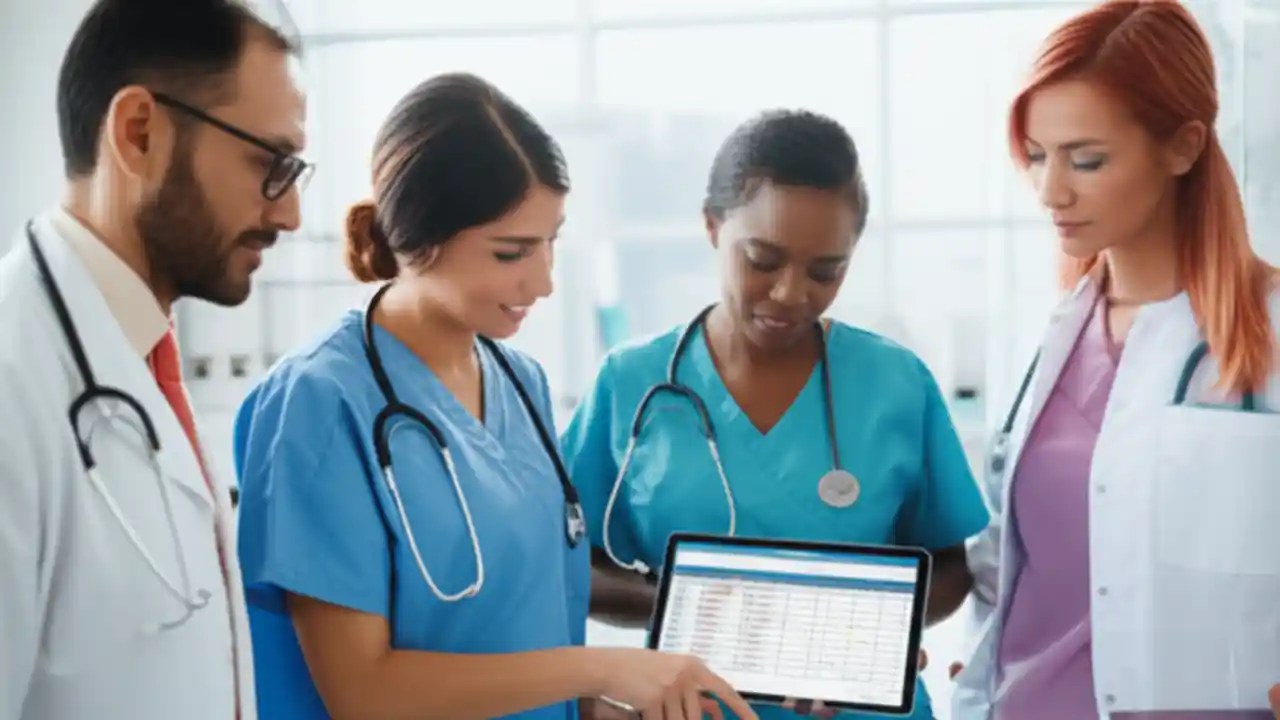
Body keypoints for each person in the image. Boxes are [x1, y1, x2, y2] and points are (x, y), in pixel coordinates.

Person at [232, 72, 756, 720]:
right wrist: (609, 665)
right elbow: (363, 691)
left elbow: (527, 640)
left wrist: (612, 710)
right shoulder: (319, 404)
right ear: (416, 238)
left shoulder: (520, 382)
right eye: (512, 252)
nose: (543, 281)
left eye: (551, 242)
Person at [559, 108, 991, 720]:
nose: (792, 294)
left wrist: (870, 637)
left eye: (825, 271)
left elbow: (950, 564)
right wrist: (695, 607)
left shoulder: (896, 383)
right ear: (712, 226)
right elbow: (571, 563)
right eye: (762, 261)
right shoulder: (631, 382)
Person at [949, 2, 1280, 719]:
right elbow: (1001, 576)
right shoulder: (1050, 343)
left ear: (1184, 146)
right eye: (1037, 156)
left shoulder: (1271, 333)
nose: (1050, 192)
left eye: (1086, 159)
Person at [0, 0, 307, 717]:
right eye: (271, 163)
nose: (290, 213)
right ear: (140, 134)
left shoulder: (135, 352)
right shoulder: (14, 378)